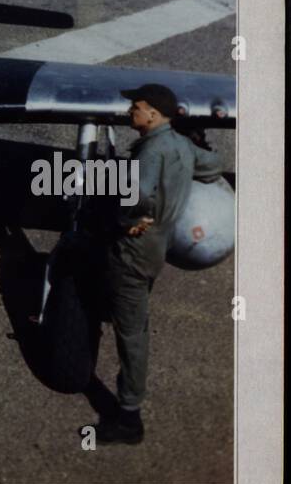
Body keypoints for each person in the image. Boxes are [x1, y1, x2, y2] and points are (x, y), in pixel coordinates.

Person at [95, 83, 224, 445]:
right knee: (136, 320)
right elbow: (214, 165)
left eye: (135, 107)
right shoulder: (181, 146)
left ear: (153, 113)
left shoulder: (152, 150)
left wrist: (126, 221)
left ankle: (128, 418)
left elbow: (136, 194)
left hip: (132, 253)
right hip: (156, 250)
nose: (128, 113)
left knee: (132, 334)